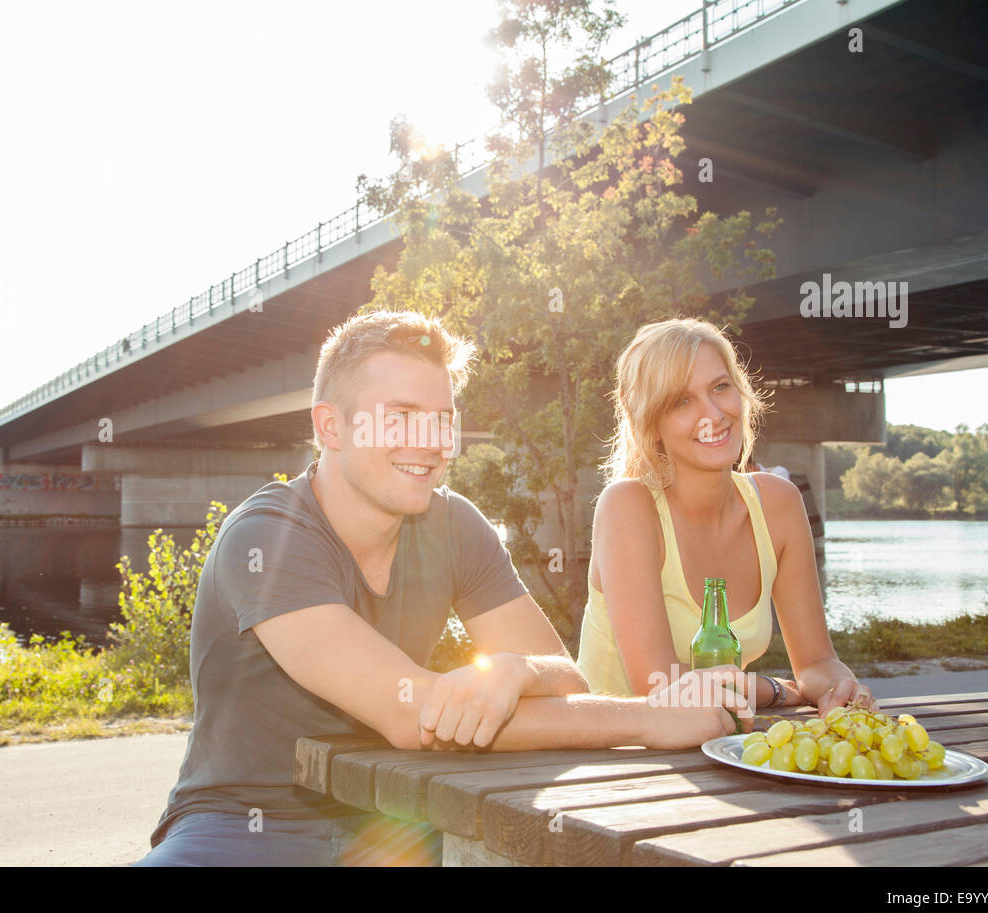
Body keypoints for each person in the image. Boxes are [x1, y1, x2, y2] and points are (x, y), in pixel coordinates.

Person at [136, 310, 749, 867]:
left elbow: (567, 681)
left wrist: (518, 671)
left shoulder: (454, 524)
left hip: (405, 826)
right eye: (399, 417)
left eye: (442, 420)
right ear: (332, 427)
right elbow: (418, 717)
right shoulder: (269, 537)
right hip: (241, 830)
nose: (430, 443)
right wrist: (648, 719)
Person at [577, 317, 874, 715]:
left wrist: (839, 687)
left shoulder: (779, 504)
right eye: (682, 401)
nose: (713, 415)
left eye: (720, 387)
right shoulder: (628, 508)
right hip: (617, 761)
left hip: (716, 747)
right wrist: (772, 689)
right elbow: (658, 686)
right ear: (653, 426)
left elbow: (817, 662)